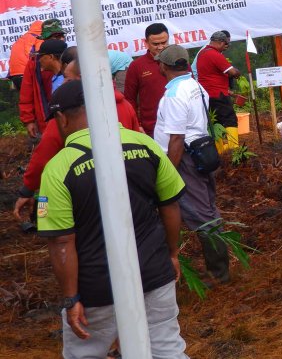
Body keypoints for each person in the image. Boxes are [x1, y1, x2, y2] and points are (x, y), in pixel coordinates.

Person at [36, 79, 190, 359]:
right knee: (167, 350)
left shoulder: (59, 169)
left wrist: (71, 298)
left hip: (96, 287)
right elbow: (170, 205)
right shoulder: (146, 145)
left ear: (60, 117)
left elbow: (61, 241)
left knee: (86, 354)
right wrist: (172, 254)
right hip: (153, 273)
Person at [14, 50, 141, 226]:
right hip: (130, 194)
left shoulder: (68, 116)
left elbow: (43, 156)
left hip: (88, 198)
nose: (64, 83)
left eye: (68, 79)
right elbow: (137, 141)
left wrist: (27, 190)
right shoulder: (125, 106)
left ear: (83, 78)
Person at [153, 45, 230, 284]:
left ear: (164, 66)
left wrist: (169, 173)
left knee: (201, 214)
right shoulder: (195, 85)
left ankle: (218, 272)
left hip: (185, 158)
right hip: (201, 150)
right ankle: (219, 268)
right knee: (207, 207)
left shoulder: (174, 96)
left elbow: (176, 139)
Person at [193, 31, 242, 147]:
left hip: (207, 94)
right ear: (220, 42)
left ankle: (220, 150)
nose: (226, 47)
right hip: (218, 94)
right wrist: (237, 73)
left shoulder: (202, 53)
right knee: (230, 120)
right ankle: (234, 149)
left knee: (216, 123)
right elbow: (232, 72)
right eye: (226, 44)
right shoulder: (214, 54)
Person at [20, 19, 66, 138]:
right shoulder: (34, 63)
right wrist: (28, 120)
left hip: (71, 119)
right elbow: (26, 94)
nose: (60, 39)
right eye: (55, 36)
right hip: (46, 120)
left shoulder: (71, 57)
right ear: (45, 39)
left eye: (61, 35)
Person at [125, 23, 171, 138]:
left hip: (181, 125)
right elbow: (130, 99)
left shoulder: (179, 60)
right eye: (155, 44)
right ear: (146, 43)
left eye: (164, 43)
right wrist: (137, 125)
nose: (160, 47)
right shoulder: (137, 66)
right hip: (152, 129)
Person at [5, 19, 42, 96]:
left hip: (14, 76)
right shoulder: (38, 38)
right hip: (26, 74)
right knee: (38, 100)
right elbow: (40, 55)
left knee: (26, 101)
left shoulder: (21, 39)